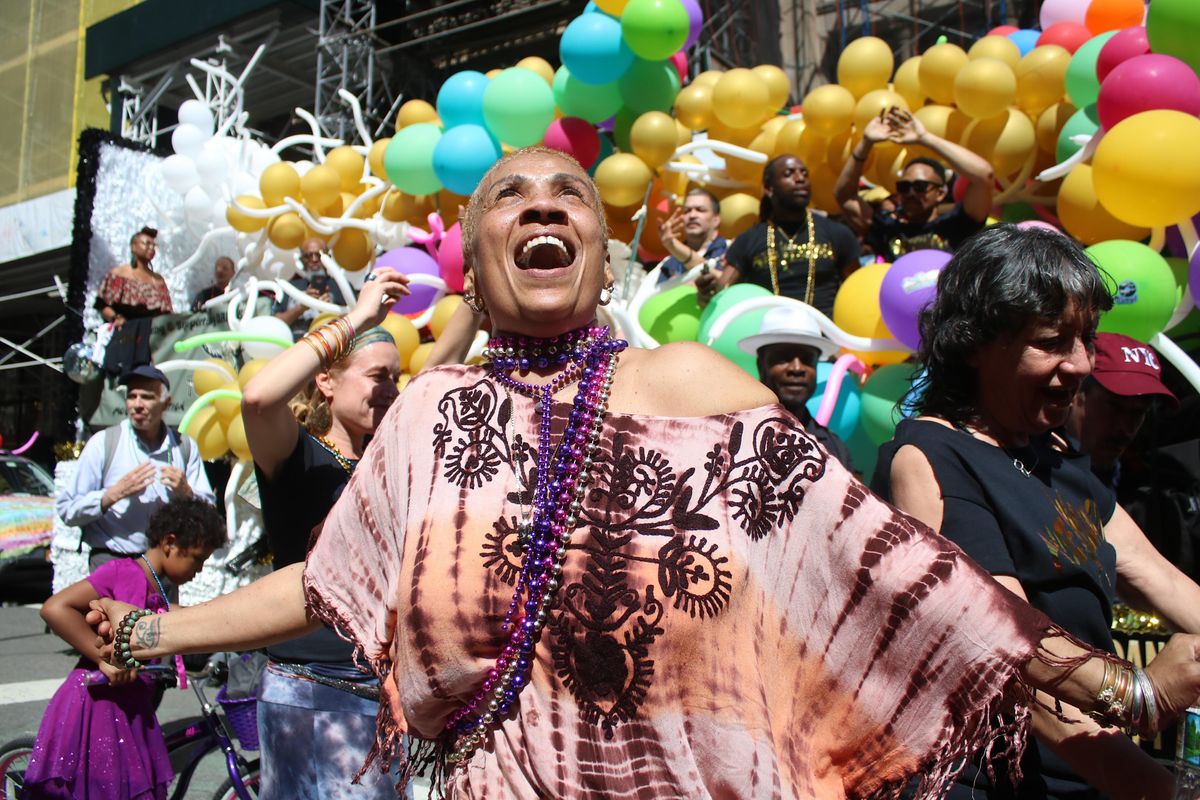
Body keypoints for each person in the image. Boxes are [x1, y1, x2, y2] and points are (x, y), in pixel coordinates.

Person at [89, 149, 1200, 800]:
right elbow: (332, 581)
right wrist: (148, 632)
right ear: (474, 261)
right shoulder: (438, 412)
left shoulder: (690, 381)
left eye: (567, 195)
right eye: (508, 198)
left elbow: (884, 563)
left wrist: (1122, 691)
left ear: (601, 254)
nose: (539, 206)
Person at [871, 225, 1200, 799]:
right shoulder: (931, 455)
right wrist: (1145, 715)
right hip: (989, 786)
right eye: (1051, 341)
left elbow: (1159, 578)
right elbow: (1006, 649)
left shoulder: (1055, 455)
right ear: (975, 344)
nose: (1079, 365)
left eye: (1086, 340)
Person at [240, 269, 408, 799]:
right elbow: (259, 397)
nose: (391, 390)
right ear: (327, 381)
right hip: (309, 690)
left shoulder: (387, 458)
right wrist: (357, 317)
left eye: (396, 379)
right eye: (377, 376)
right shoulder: (299, 456)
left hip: (378, 692)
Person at [24, 497, 226, 800]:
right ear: (169, 542)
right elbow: (55, 608)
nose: (199, 568)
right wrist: (104, 660)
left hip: (131, 704)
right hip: (98, 703)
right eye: (197, 558)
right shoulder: (123, 572)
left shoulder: (159, 583)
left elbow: (161, 615)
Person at [57, 364, 214, 572]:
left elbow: (209, 513)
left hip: (163, 567)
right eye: (132, 396)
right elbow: (67, 510)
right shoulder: (104, 443)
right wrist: (113, 494)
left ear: (166, 403)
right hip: (111, 562)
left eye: (147, 397)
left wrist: (186, 493)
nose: (137, 404)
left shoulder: (183, 447)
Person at [697, 154, 860, 317]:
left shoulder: (837, 233)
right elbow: (722, 292)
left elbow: (857, 292)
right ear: (769, 188)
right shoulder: (747, 241)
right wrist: (708, 291)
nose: (800, 179)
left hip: (826, 336)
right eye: (789, 174)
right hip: (771, 336)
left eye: (804, 173)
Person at [835, 107, 992, 262]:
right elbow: (845, 196)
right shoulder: (887, 230)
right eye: (904, 187)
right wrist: (866, 142)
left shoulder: (958, 224)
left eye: (920, 186)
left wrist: (924, 138)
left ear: (940, 193)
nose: (911, 193)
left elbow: (984, 176)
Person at [739, 304, 854, 469]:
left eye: (807, 359)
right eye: (783, 357)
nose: (797, 368)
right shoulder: (732, 435)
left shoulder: (835, 449)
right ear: (761, 365)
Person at [1065, 332, 1178, 488]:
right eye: (1114, 407)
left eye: (1138, 413)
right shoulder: (1031, 469)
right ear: (1075, 393)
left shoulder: (1150, 487)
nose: (1125, 428)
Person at [94, 227, 173, 377]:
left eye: (153, 245)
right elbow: (102, 304)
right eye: (146, 244)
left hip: (153, 336)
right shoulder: (120, 274)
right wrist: (116, 318)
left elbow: (167, 312)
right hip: (126, 333)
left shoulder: (158, 280)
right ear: (133, 247)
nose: (151, 248)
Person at [275, 238, 346, 337]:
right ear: (302, 260)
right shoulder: (289, 287)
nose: (314, 259)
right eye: (308, 256)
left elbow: (356, 318)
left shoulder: (341, 286)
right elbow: (274, 324)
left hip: (331, 344)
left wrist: (330, 310)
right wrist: (301, 307)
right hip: (295, 345)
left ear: (328, 257)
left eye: (319, 255)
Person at [655, 187, 727, 283]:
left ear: (716, 219)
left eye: (700, 210)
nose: (692, 215)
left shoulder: (729, 252)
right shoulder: (670, 263)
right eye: (687, 211)